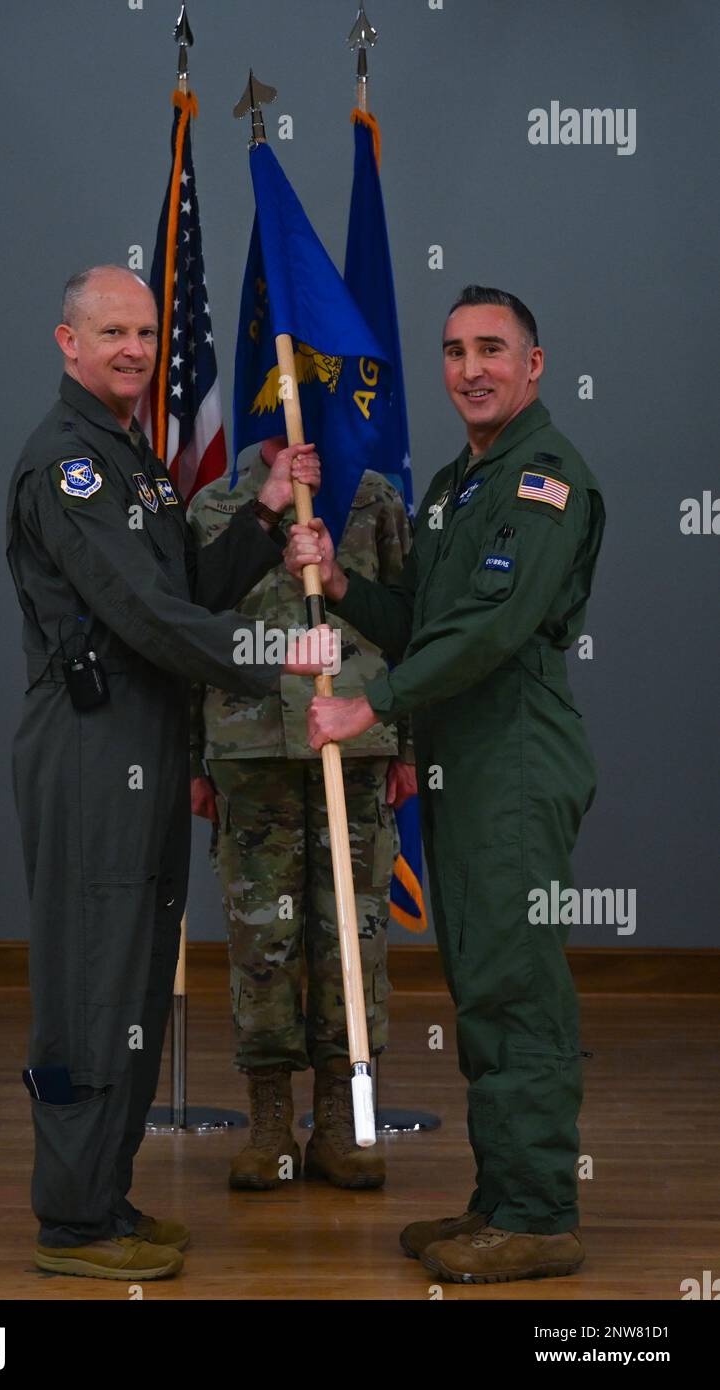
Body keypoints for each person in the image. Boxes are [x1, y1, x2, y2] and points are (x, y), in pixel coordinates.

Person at [5, 265, 324, 1281]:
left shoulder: (129, 455)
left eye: (145, 332)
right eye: (112, 334)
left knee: (136, 979)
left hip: (140, 744)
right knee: (92, 978)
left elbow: (173, 587)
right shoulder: (70, 464)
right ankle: (71, 1219)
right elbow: (143, 618)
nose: (136, 350)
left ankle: (105, 1191)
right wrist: (273, 652)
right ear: (67, 342)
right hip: (92, 751)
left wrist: (266, 516)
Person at [285, 285, 605, 1284]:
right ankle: (500, 1197)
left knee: (514, 988)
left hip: (512, 754)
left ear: (533, 364)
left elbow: (489, 631)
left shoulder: (542, 476)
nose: (470, 368)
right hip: (464, 758)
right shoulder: (454, 484)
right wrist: (342, 586)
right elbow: (427, 614)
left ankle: (540, 1213)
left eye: (491, 350)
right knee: (481, 985)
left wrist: (365, 706)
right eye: (454, 350)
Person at [187, 436, 417, 1191]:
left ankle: (344, 1123)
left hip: (354, 745)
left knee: (350, 935)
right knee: (264, 943)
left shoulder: (374, 498)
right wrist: (195, 758)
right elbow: (189, 633)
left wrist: (409, 743)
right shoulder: (217, 505)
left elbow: (412, 625)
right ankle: (270, 1124)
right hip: (250, 751)